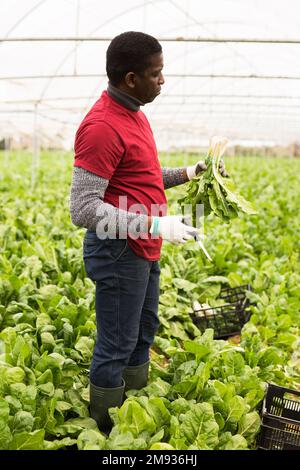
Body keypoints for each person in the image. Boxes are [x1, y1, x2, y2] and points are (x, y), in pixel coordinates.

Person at [70, 31, 227, 433]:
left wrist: (191, 173)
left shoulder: (135, 113)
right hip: (118, 252)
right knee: (116, 344)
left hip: (142, 248)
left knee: (144, 329)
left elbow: (140, 176)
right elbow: (84, 208)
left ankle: (136, 409)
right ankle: (107, 432)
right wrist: (155, 223)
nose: (163, 80)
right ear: (130, 78)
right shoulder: (102, 126)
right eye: (156, 74)